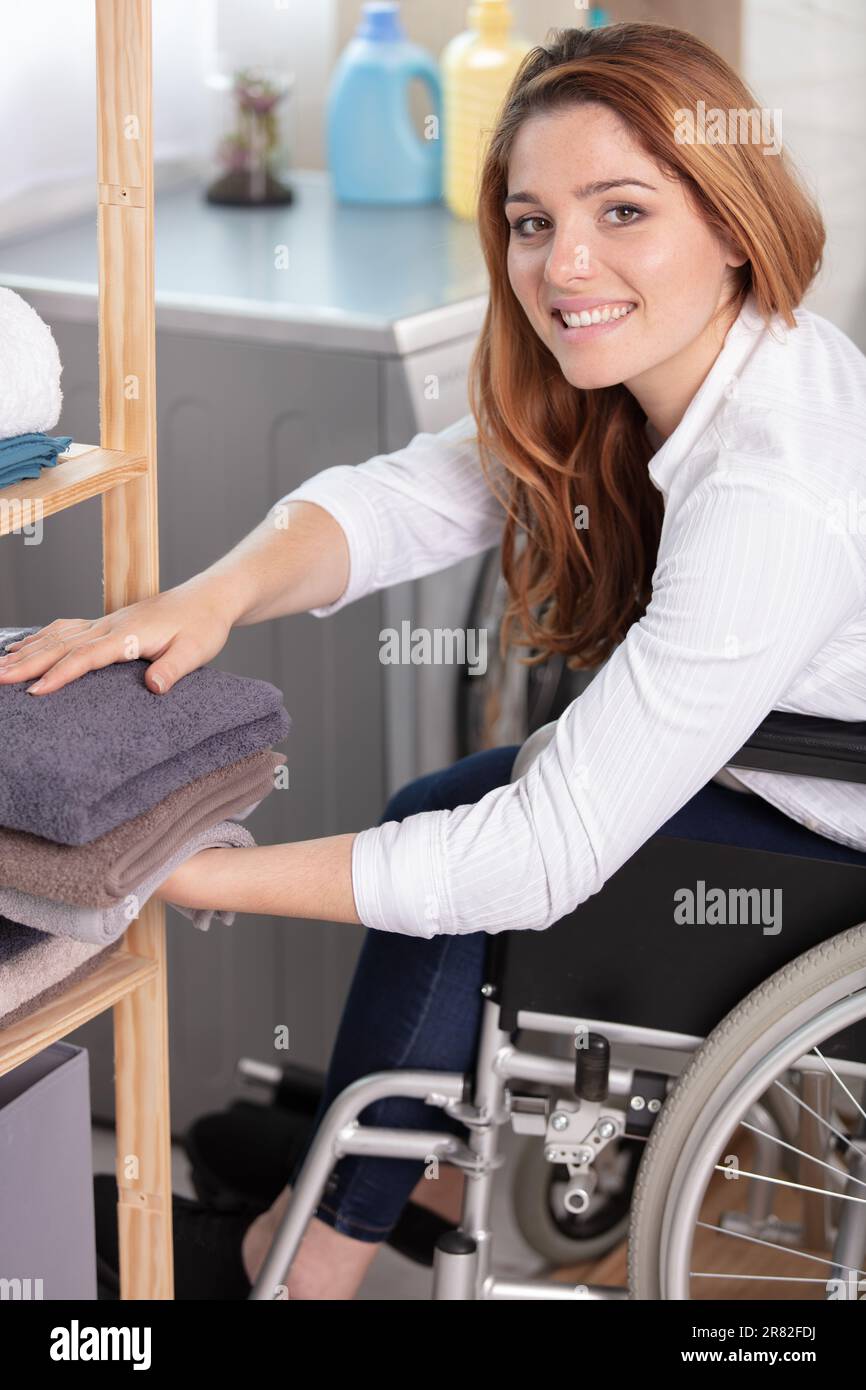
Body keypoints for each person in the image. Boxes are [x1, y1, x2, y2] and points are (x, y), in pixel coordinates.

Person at [3, 22, 865, 1298]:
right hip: (793, 760)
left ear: (730, 223)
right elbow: (417, 495)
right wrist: (209, 597)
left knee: (464, 835)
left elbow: (532, 859)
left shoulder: (767, 496)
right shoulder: (690, 358)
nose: (564, 264)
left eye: (620, 212)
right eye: (530, 221)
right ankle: (379, 1179)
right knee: (441, 814)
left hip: (831, 829)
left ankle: (312, 1249)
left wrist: (171, 875)